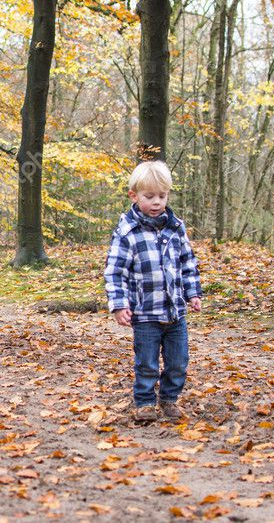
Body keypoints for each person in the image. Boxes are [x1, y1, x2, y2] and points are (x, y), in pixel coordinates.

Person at [104, 160, 202, 423]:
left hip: (174, 311)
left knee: (178, 361)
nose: (157, 202)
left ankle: (169, 398)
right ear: (134, 196)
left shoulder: (175, 227)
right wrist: (118, 304)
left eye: (162, 195)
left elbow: (187, 262)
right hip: (145, 313)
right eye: (149, 197)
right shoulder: (127, 232)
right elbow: (115, 271)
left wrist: (193, 293)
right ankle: (145, 402)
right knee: (146, 362)